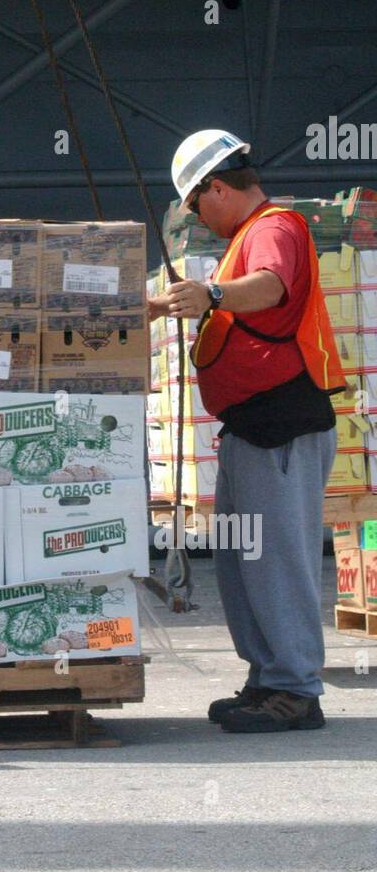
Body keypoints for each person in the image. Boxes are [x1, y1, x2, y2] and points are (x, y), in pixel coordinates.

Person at [149, 129, 345, 734]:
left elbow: (272, 287)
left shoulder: (274, 228)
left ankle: (294, 691)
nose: (198, 218)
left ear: (215, 188)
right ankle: (268, 681)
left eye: (195, 203)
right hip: (252, 430)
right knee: (242, 561)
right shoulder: (244, 239)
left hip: (281, 427)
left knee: (276, 561)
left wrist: (210, 292)